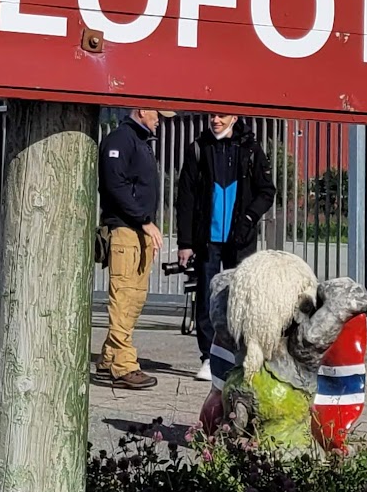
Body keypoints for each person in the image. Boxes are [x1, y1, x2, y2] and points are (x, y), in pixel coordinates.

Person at [175, 111, 276, 381]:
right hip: (207, 239)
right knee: (207, 298)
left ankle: (240, 354)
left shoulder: (251, 149)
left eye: (221, 116)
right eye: (212, 116)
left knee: (239, 297)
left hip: (239, 239)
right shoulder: (198, 148)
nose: (215, 120)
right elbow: (185, 196)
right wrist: (185, 242)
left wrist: (248, 217)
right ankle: (209, 357)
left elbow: (267, 191)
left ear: (234, 117)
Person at [94, 108, 166, 390]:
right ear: (142, 110)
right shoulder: (120, 140)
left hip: (140, 230)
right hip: (125, 229)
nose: (160, 119)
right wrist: (144, 221)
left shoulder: (141, 142)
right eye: (157, 113)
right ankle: (124, 366)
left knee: (135, 299)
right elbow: (114, 185)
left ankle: (108, 358)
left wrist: (147, 228)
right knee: (123, 298)